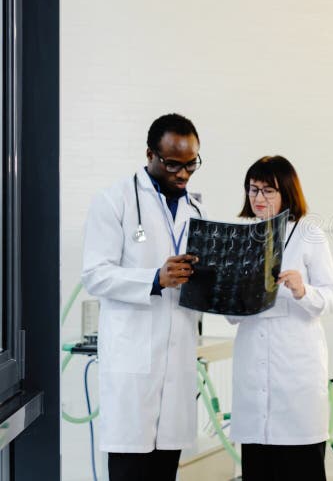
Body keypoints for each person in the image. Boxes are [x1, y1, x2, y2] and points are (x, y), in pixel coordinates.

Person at [82, 113, 206, 480]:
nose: (182, 174)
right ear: (150, 155)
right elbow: (95, 275)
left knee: (166, 469)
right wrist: (155, 278)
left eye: (191, 165)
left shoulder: (196, 210)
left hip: (177, 360)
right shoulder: (114, 201)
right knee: (130, 469)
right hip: (133, 364)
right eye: (172, 164)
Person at [229, 155, 333, 481]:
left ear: (287, 192)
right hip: (252, 357)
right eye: (253, 190)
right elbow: (232, 314)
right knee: (257, 460)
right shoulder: (242, 236)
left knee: (300, 461)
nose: (259, 199)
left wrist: (302, 289)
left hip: (296, 365)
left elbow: (332, 298)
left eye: (268, 190)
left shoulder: (309, 234)